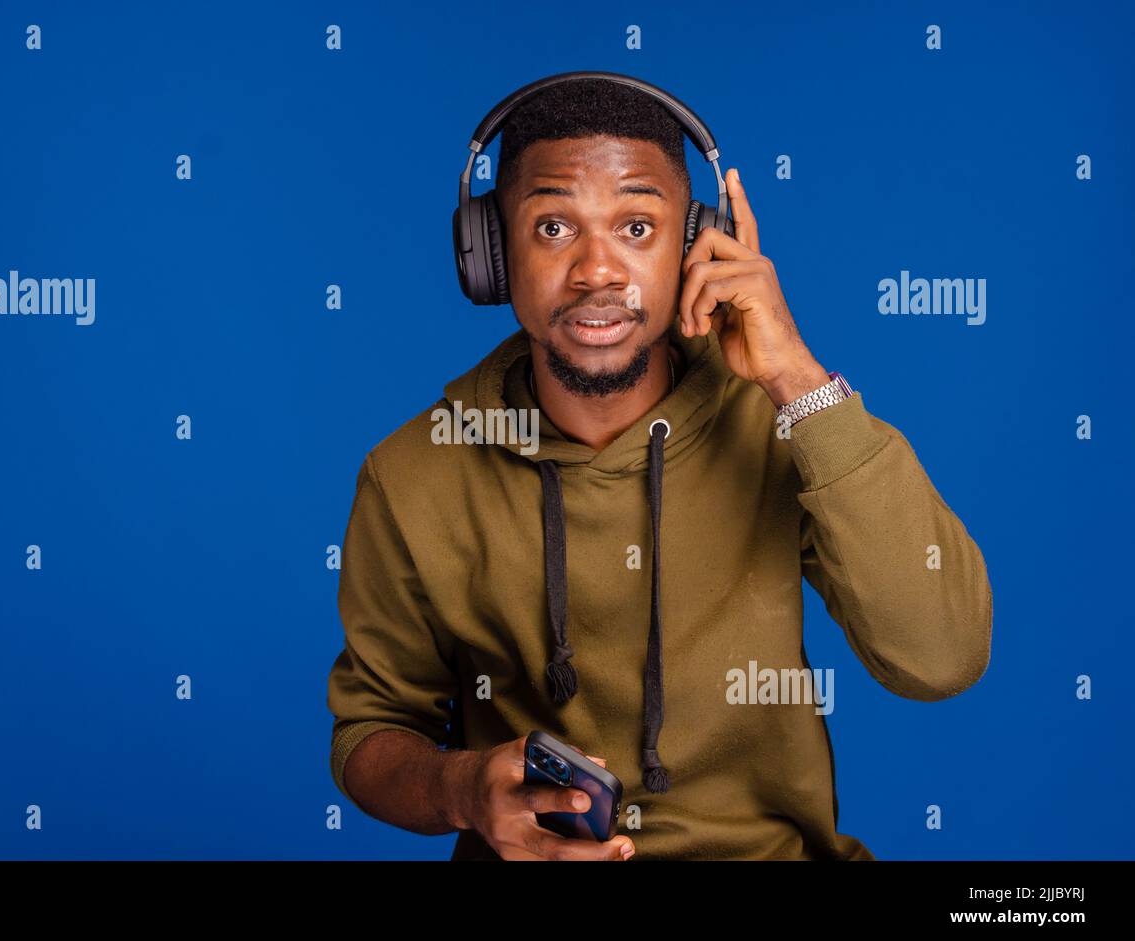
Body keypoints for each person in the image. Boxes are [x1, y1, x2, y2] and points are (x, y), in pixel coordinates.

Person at [326, 75, 993, 860]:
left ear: (696, 243)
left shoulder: (784, 425)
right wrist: (462, 788)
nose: (597, 271)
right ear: (492, 253)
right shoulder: (413, 473)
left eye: (637, 226)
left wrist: (800, 382)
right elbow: (371, 733)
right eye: (552, 228)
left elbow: (943, 657)